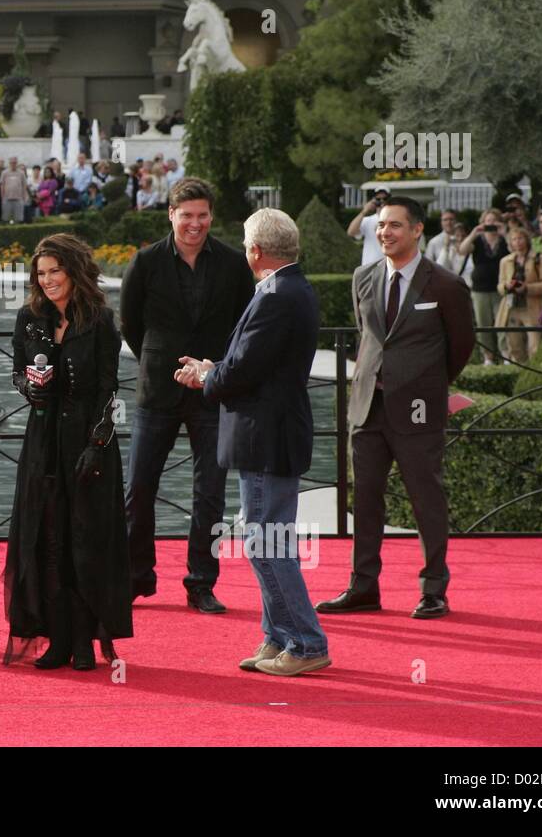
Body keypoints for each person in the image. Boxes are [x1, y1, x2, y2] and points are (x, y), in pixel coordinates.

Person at [182, 208, 330, 676]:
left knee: (266, 543)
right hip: (269, 434)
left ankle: (305, 643)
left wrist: (208, 376)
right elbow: (250, 362)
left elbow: (244, 369)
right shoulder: (287, 288)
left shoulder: (277, 295)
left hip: (266, 437)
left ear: (255, 251)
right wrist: (214, 371)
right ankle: (278, 636)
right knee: (264, 539)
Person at [317, 196, 475, 620]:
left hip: (419, 409)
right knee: (365, 499)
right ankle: (363, 587)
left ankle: (433, 590)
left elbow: (461, 347)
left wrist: (427, 386)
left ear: (418, 230)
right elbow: (369, 337)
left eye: (396, 226)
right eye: (382, 225)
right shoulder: (362, 277)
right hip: (368, 406)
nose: (386, 232)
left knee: (427, 498)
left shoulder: (444, 284)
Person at [120, 178, 253, 609]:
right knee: (139, 487)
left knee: (210, 492)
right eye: (186, 215)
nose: (194, 224)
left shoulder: (234, 265)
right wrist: (161, 363)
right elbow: (130, 325)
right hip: (157, 389)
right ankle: (137, 576)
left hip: (212, 392)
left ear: (211, 216)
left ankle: (201, 583)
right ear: (171, 216)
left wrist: (213, 372)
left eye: (202, 215)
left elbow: (242, 328)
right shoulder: (144, 262)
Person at [4, 233, 131, 670]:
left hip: (88, 442)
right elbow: (18, 372)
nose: (48, 280)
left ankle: (83, 639)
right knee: (48, 539)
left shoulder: (99, 319)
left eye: (55, 271)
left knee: (86, 540)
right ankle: (56, 637)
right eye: (41, 274)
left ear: (73, 271)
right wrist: (32, 389)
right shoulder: (29, 317)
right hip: (42, 442)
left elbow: (109, 388)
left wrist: (97, 445)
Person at [458, 209, 508, 364]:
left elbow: (516, 249)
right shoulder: (478, 240)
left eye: (494, 220)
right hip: (480, 288)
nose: (491, 223)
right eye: (488, 220)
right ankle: (488, 357)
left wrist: (504, 232)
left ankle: (505, 354)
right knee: (483, 323)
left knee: (502, 322)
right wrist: (474, 232)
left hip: (500, 287)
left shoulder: (504, 239)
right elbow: (462, 250)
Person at [496, 226, 542, 362]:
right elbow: (500, 286)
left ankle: (535, 375)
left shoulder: (539, 259)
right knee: (514, 346)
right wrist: (506, 287)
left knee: (535, 346)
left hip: (532, 307)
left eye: (520, 238)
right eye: (514, 239)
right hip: (512, 307)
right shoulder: (505, 261)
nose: (517, 242)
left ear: (527, 240)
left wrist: (527, 288)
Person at [347, 189, 390, 267]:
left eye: (385, 199)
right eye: (378, 199)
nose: (381, 202)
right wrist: (364, 211)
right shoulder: (367, 220)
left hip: (388, 266)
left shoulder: (394, 220)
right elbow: (351, 232)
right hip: (369, 265)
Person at [424, 209, 467, 277]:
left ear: (456, 221)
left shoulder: (464, 240)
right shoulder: (434, 242)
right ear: (441, 222)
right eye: (445, 220)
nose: (448, 223)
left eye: (451, 219)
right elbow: (427, 265)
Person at [0, 157, 28, 224]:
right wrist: (2, 197)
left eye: (14, 163)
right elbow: (2, 185)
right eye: (11, 163)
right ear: (9, 163)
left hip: (18, 199)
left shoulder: (21, 173)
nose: (13, 164)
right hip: (7, 198)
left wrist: (24, 197)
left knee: (18, 219)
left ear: (16, 163)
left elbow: (24, 186)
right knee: (5, 218)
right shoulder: (4, 173)